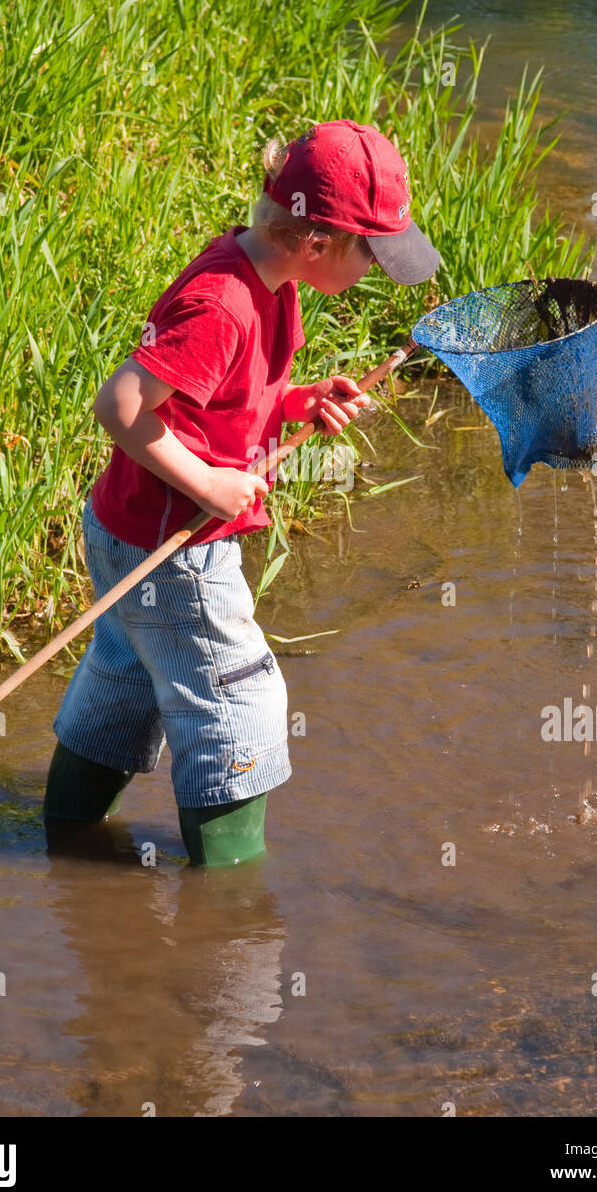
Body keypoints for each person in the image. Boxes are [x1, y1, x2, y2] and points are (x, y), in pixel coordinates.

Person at [44, 119, 441, 865]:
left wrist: (299, 401)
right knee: (239, 706)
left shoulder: (268, 275)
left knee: (128, 682)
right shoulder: (223, 305)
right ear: (318, 242)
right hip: (174, 548)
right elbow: (119, 406)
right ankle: (232, 916)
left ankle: (66, 843)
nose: (377, 273)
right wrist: (210, 485)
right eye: (372, 255)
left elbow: (225, 398)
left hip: (127, 524)